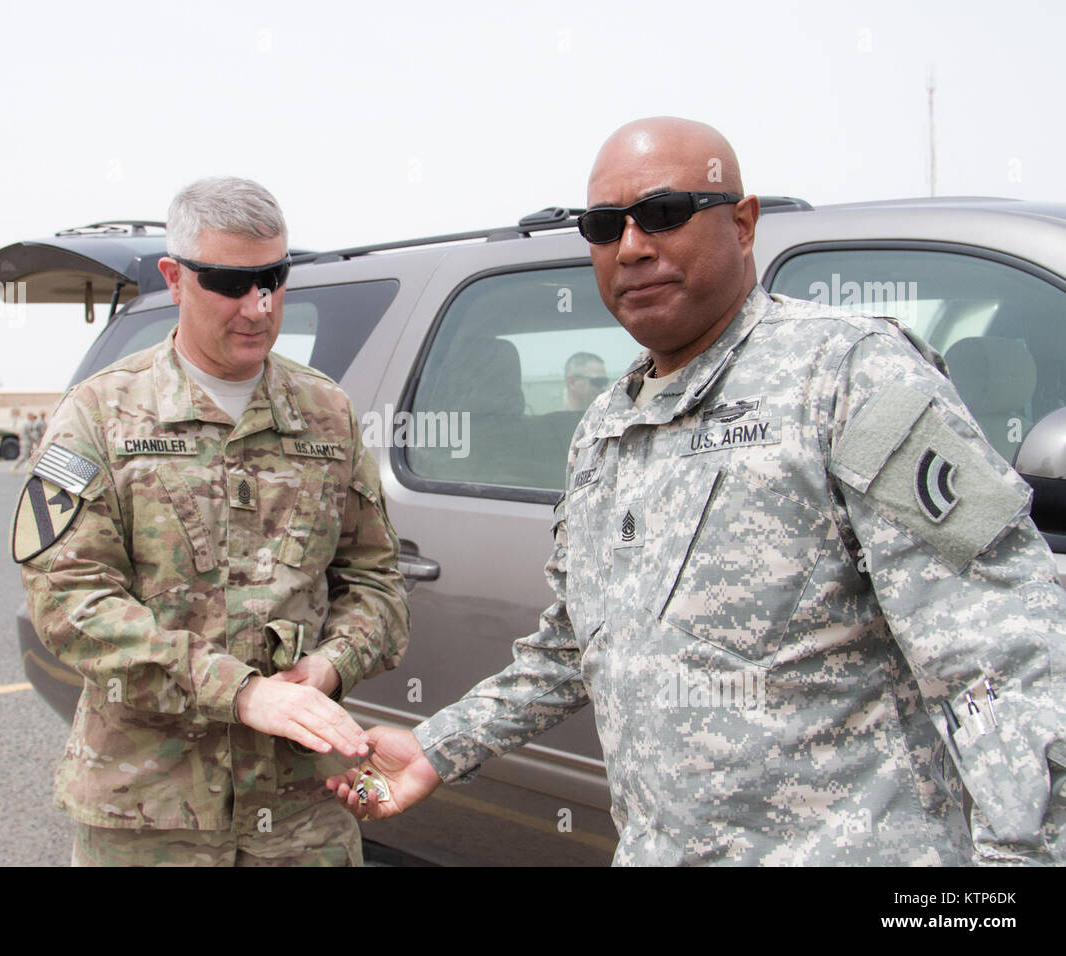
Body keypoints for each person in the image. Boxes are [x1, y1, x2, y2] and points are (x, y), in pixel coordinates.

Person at [329, 117, 1066, 865]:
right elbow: (574, 645)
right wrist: (437, 747)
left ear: (743, 225)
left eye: (666, 213)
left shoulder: (847, 377)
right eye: (603, 225)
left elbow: (1010, 657)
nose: (633, 246)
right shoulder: (607, 429)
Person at [13, 175, 409, 866]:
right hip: (150, 820)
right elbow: (68, 600)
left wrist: (328, 669)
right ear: (174, 277)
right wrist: (240, 693)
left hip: (300, 819)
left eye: (274, 278)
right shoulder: (99, 413)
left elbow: (375, 581)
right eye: (230, 281)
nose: (258, 306)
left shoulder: (327, 414)